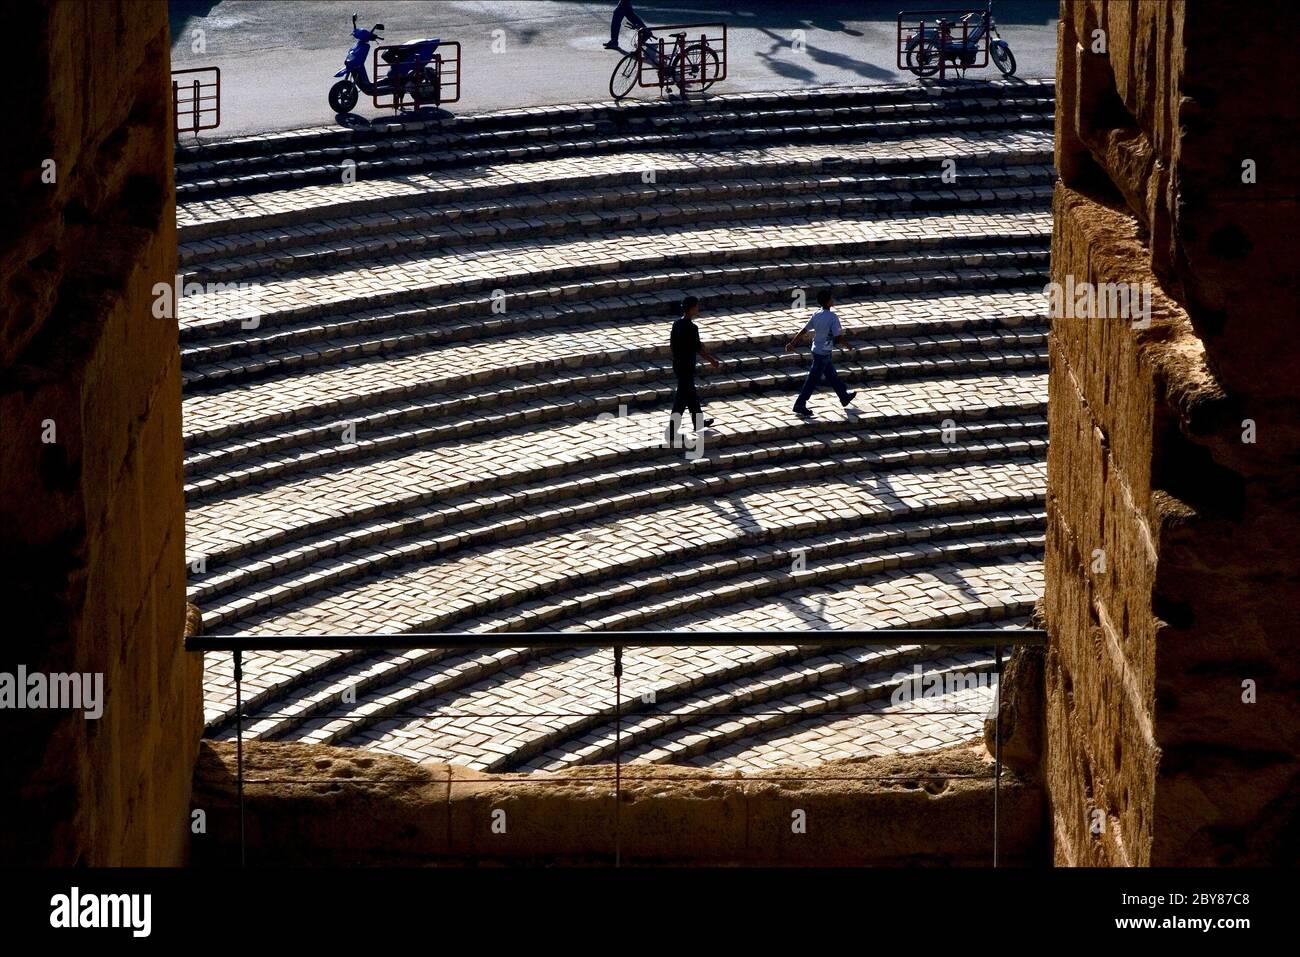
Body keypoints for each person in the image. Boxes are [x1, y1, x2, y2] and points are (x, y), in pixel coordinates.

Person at [786, 288, 857, 416]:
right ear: (828, 302)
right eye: (831, 299)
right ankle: (800, 404)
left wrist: (792, 343)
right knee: (812, 380)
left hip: (818, 350)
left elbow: (804, 330)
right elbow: (838, 337)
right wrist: (848, 346)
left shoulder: (817, 314)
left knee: (832, 376)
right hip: (823, 353)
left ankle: (844, 397)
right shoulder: (832, 317)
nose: (832, 300)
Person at [667, 295, 719, 444]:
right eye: (696, 306)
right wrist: (713, 361)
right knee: (681, 400)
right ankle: (671, 431)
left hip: (678, 364)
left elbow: (673, 345)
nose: (698, 308)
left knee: (690, 395)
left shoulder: (676, 324)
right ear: (691, 309)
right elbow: (699, 350)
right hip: (687, 366)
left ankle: (698, 422)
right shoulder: (692, 328)